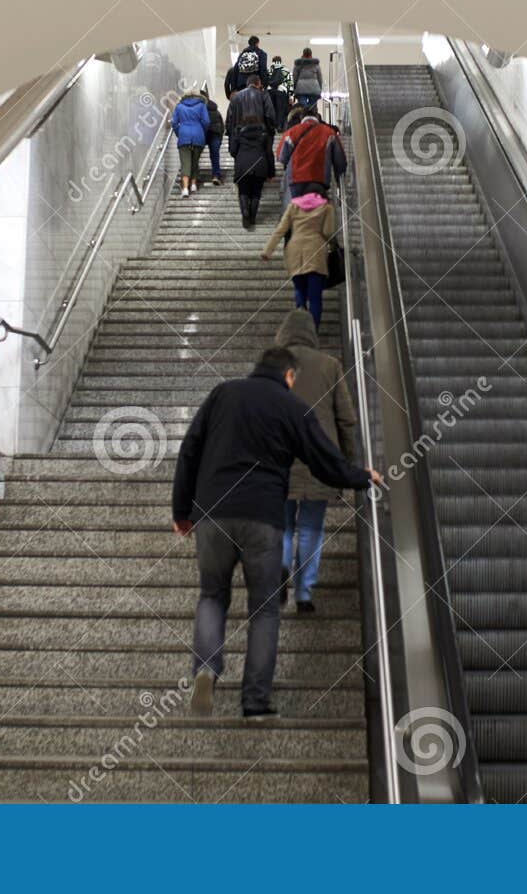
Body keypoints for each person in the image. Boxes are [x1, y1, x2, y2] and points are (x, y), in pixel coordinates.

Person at [173, 346, 380, 719]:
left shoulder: (223, 393)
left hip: (213, 513)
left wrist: (181, 510)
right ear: (289, 375)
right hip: (263, 518)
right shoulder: (291, 407)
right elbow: (324, 461)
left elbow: (189, 449)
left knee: (212, 595)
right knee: (265, 609)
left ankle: (206, 668)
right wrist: (361, 477)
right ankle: (254, 703)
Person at [273, 309, 359, 612]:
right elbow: (346, 419)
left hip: (278, 460)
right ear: (312, 335)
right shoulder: (330, 365)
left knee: (281, 525)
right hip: (319, 459)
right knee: (311, 527)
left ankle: (279, 572)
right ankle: (304, 594)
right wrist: (347, 463)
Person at [262, 189, 336, 327]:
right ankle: (313, 332)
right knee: (315, 298)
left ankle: (300, 316)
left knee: (300, 290)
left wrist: (268, 250)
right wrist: (333, 246)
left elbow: (281, 230)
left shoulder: (293, 206)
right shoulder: (327, 208)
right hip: (316, 252)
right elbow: (328, 232)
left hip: (294, 252)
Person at [277, 109, 346, 200]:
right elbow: (340, 160)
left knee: (298, 209)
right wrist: (339, 180)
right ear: (317, 117)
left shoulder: (291, 132)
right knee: (316, 210)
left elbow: (282, 158)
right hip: (319, 179)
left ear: (302, 118)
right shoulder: (329, 133)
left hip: (296, 179)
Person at [227, 93, 273, 229]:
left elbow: (233, 151)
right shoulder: (264, 135)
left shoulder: (238, 133)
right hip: (260, 166)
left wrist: (238, 156)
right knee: (256, 192)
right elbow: (269, 154)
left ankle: (245, 212)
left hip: (242, 165)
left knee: (243, 191)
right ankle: (252, 216)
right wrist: (271, 172)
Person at [169, 89, 208, 198]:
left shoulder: (179, 106)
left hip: (184, 135)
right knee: (195, 161)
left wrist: (179, 133)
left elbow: (174, 123)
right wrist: (201, 131)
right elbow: (206, 121)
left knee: (185, 163)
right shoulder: (201, 105)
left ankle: (185, 189)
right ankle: (194, 184)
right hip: (198, 135)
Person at [200, 88, 224, 186]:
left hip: (203, 134)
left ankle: (194, 177)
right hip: (215, 135)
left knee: (195, 155)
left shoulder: (198, 109)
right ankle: (216, 176)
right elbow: (222, 126)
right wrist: (220, 138)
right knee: (215, 155)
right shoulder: (215, 109)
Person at [267, 56, 292, 127]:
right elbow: (290, 83)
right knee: (281, 109)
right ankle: (279, 126)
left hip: (270, 91)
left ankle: (272, 126)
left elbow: (265, 81)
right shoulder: (286, 70)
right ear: (280, 61)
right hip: (281, 91)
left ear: (272, 61)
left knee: (271, 109)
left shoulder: (268, 70)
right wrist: (290, 95)